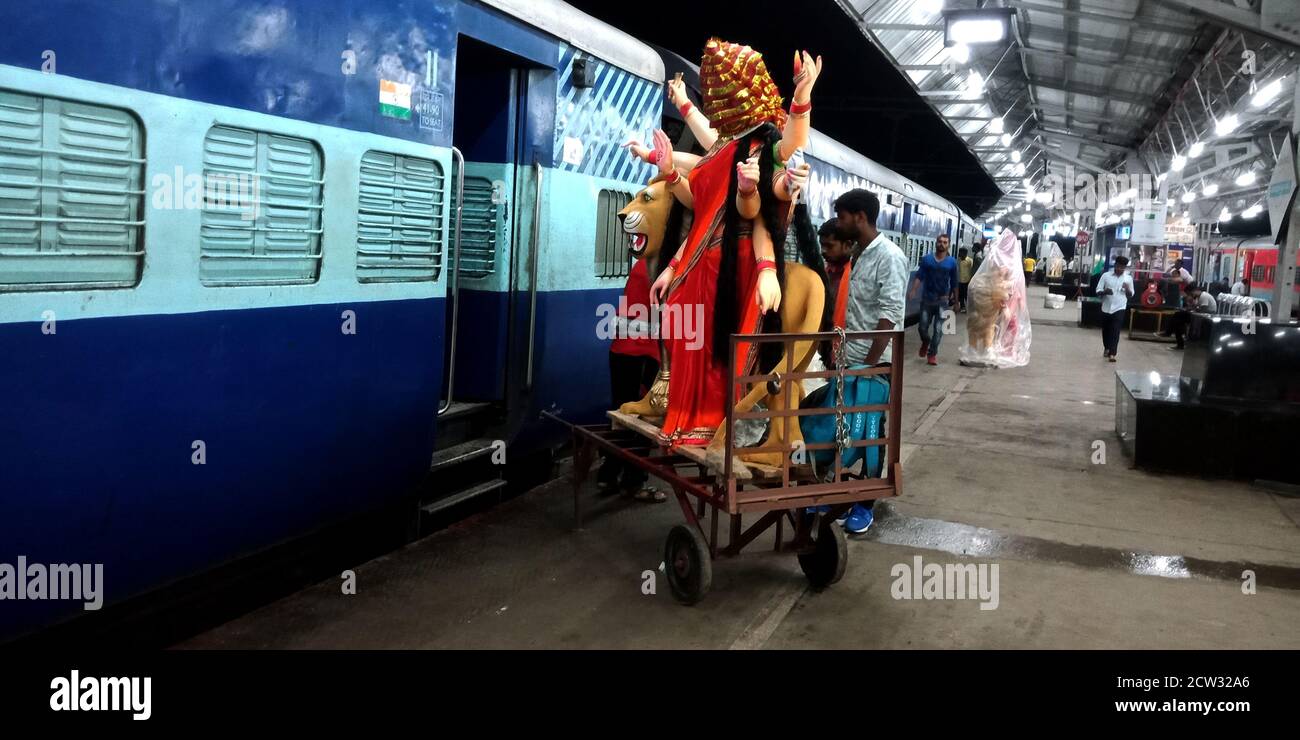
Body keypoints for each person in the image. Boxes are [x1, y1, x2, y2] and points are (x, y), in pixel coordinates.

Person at [832, 188, 907, 534]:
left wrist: (872, 366)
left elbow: (889, 315)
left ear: (860, 217)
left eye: (843, 216)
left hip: (874, 366)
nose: (839, 223)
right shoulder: (859, 255)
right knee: (849, 431)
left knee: (872, 435)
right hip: (853, 360)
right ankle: (845, 497)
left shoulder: (888, 256)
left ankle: (866, 504)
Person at [598, 255, 664, 502]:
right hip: (643, 354)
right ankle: (633, 483)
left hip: (622, 351)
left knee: (621, 415)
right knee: (643, 420)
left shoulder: (643, 264)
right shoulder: (661, 267)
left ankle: (608, 475)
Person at [908, 233, 959, 366]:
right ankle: (925, 341)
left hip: (943, 301)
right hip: (927, 300)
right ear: (936, 243)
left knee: (938, 329)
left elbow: (954, 282)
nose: (942, 244)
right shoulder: (927, 260)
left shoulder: (952, 262)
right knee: (922, 327)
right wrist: (913, 289)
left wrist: (956, 301)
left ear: (948, 245)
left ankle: (932, 354)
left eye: (945, 242)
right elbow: (920, 276)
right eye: (940, 241)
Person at [1096, 256, 1134, 362]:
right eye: (1118, 266)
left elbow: (1131, 294)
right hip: (1106, 307)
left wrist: (1127, 289)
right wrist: (1105, 292)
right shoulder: (1106, 276)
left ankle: (1113, 353)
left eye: (1123, 267)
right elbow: (1098, 290)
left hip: (1120, 307)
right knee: (1106, 330)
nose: (1120, 269)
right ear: (1115, 265)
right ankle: (1107, 347)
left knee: (1115, 330)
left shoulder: (1128, 279)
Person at [1168, 283, 1217, 350]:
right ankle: (1174, 336)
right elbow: (1196, 308)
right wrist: (1190, 308)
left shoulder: (1204, 296)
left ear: (1195, 290)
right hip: (1198, 316)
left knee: (1178, 317)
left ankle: (1170, 333)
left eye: (1190, 293)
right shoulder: (1199, 297)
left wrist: (1192, 309)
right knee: (1178, 320)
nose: (1190, 295)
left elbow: (1203, 310)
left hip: (1205, 318)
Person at [957, 246, 973, 313]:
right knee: (961, 295)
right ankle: (962, 307)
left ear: (965, 253)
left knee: (967, 295)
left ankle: (969, 308)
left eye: (961, 252)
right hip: (960, 281)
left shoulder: (970, 261)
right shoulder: (958, 260)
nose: (960, 254)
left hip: (967, 281)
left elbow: (972, 270)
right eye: (959, 252)